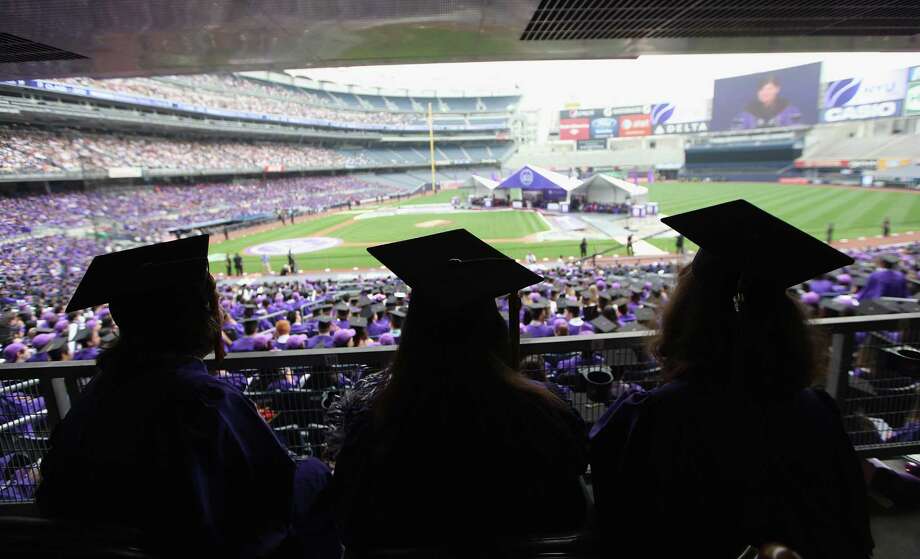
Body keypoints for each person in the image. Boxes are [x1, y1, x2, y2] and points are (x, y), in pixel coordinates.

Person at [590, 200, 872, 558]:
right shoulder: (818, 412)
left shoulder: (656, 415)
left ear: (688, 314)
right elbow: (852, 535)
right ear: (783, 320)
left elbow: (621, 527)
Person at [36, 236, 340, 559]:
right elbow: (277, 490)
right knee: (314, 474)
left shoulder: (95, 395)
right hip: (200, 546)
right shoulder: (203, 399)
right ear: (195, 316)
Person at [330, 229, 587, 552]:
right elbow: (573, 493)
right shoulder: (547, 411)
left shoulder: (375, 426)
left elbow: (350, 523)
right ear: (494, 331)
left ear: (414, 334)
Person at [733, 75, 802, 129]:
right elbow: (735, 134)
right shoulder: (747, 113)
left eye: (769, 89)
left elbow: (795, 133)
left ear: (777, 89)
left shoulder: (790, 111)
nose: (765, 93)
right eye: (761, 89)